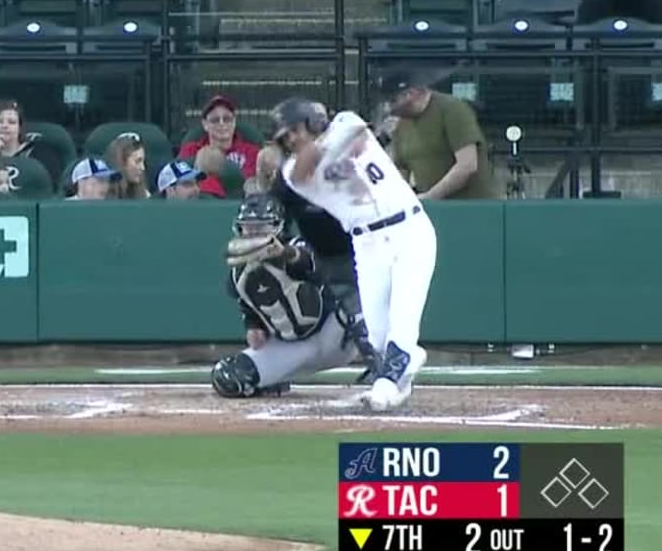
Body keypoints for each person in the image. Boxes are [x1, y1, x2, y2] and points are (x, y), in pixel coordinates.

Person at [271, 98, 435, 412]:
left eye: (294, 130)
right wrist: (320, 145)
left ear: (312, 120)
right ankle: (402, 376)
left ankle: (388, 384)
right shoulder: (292, 173)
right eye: (285, 137)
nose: (291, 139)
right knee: (375, 339)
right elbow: (309, 166)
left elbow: (357, 142)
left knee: (402, 323)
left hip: (410, 231)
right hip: (367, 244)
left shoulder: (346, 121)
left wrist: (333, 139)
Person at [211, 193, 369, 399]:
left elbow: (308, 261)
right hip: (294, 346)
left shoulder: (296, 246)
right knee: (228, 377)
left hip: (334, 335)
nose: (253, 233)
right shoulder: (239, 273)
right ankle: (274, 380)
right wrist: (253, 327)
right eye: (249, 227)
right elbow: (248, 306)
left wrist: (282, 252)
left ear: (278, 226)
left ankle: (381, 366)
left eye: (261, 227)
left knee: (356, 302)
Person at [382, 68, 503, 201]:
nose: (387, 108)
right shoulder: (400, 123)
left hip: (472, 208)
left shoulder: (452, 109)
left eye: (392, 101)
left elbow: (467, 165)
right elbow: (401, 169)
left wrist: (431, 196)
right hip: (430, 209)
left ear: (410, 94)